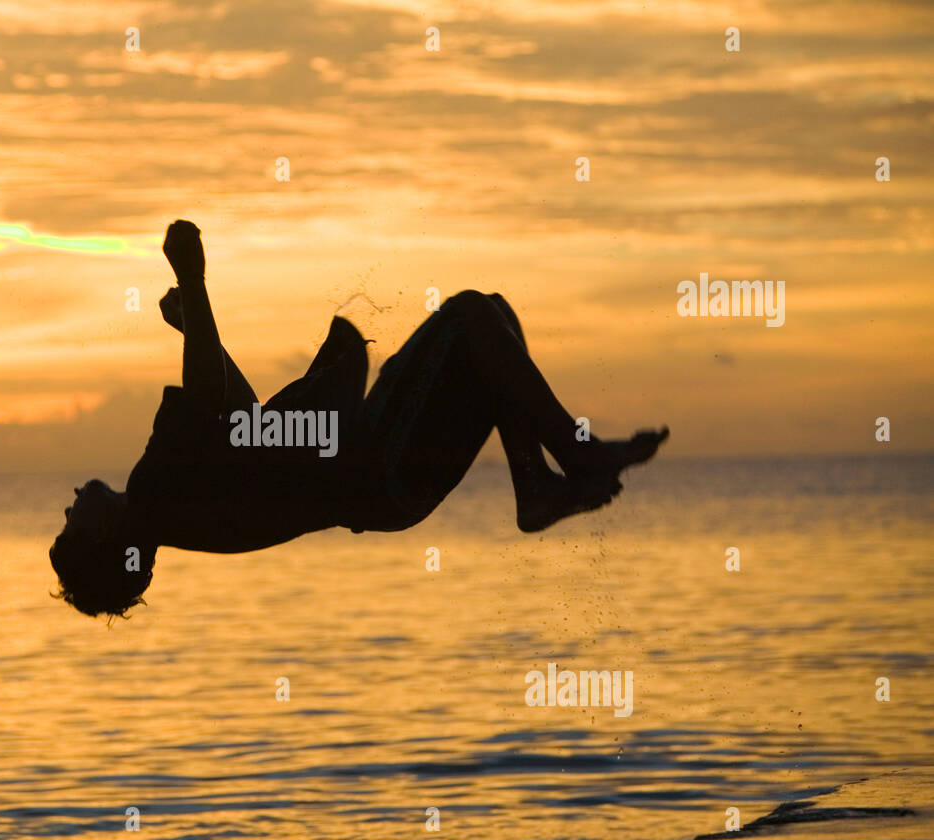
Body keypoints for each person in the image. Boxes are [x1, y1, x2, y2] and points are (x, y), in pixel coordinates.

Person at [50, 220, 667, 618]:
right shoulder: (158, 493)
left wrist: (194, 324)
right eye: (72, 520)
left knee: (488, 324)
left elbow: (242, 416)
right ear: (102, 538)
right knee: (472, 319)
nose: (74, 500)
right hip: (380, 462)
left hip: (388, 485)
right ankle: (571, 456)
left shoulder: (175, 503)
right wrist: (191, 275)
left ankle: (535, 485)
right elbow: (211, 393)